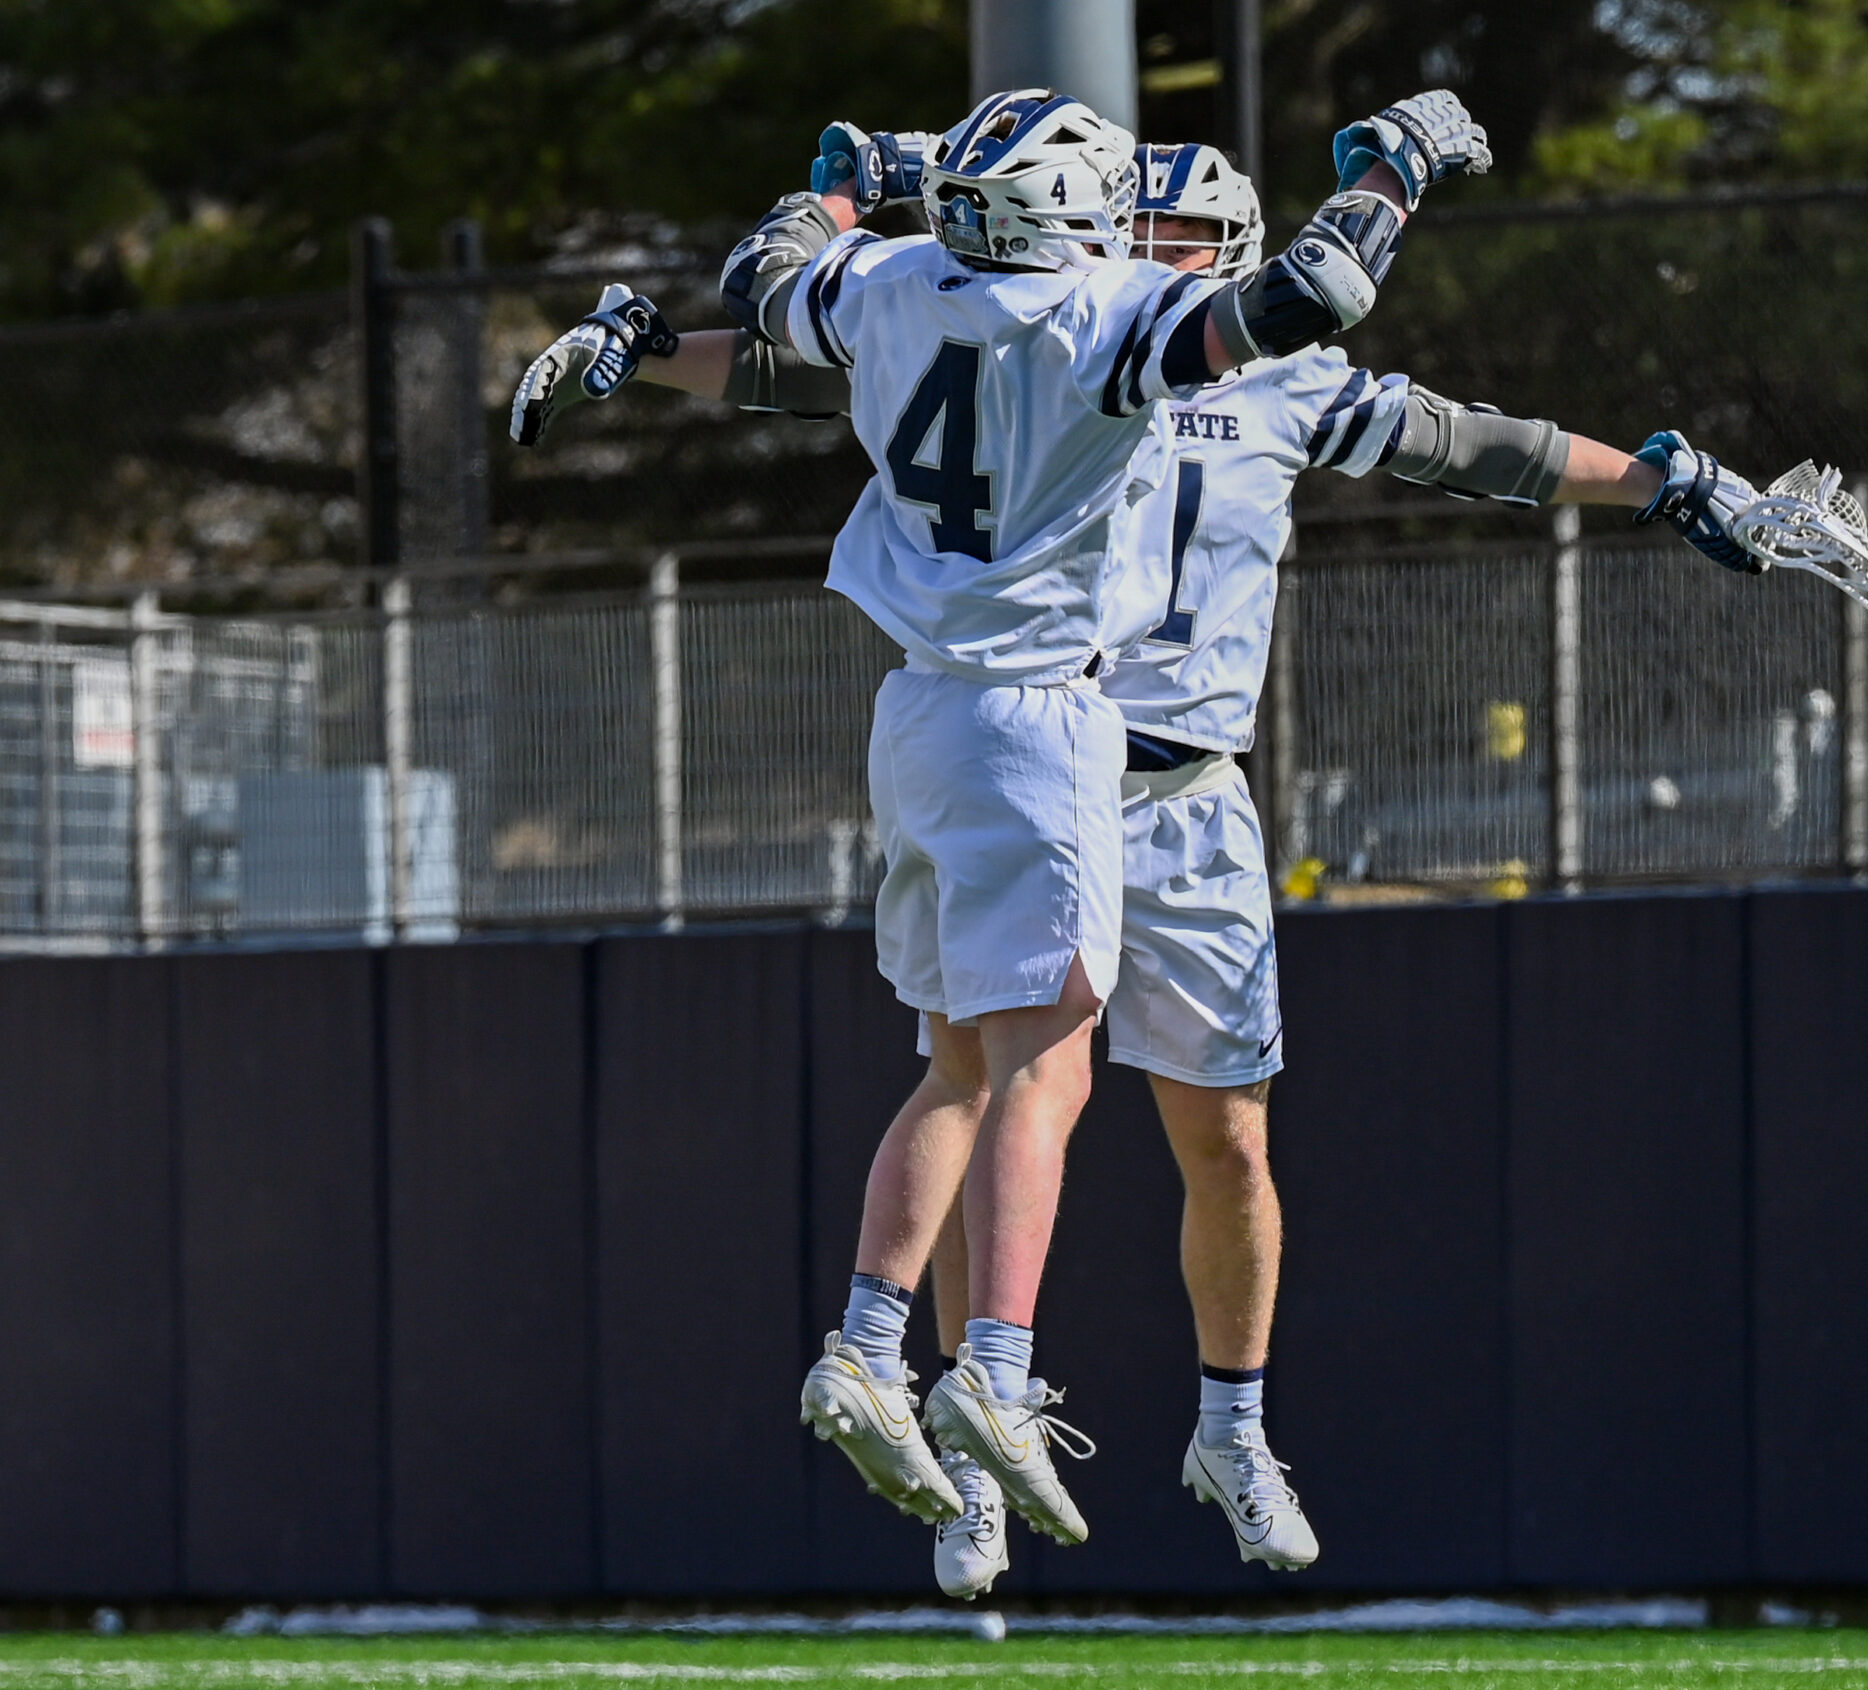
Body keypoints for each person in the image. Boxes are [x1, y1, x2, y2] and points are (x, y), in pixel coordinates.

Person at [513, 130, 1868, 1593]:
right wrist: (648, 348)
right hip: (1052, 745)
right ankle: (974, 1420)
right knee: (1005, 1079)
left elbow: (1483, 446)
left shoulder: (1198, 354)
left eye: (1172, 232)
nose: (1147, 250)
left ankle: (1226, 1427)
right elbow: (818, 366)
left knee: (1208, 1131)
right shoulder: (1096, 323)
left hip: (1171, 786)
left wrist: (1673, 486)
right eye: (1129, 223)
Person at [511, 85, 1496, 1552]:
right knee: (1048, 1070)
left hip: (912, 712)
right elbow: (1316, 291)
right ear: (1068, 214)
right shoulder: (1106, 317)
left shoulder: (897, 282)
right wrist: (1396, 171)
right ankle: (996, 1374)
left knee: (960, 1071)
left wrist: (849, 182)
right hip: (1041, 719)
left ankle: (864, 1339)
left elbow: (767, 288)